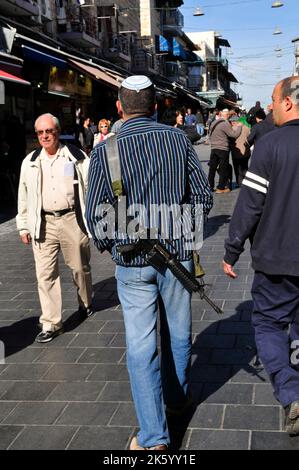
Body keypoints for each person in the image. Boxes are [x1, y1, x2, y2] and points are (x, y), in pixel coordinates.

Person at [86, 75, 213, 450]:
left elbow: (96, 214)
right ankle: (177, 402)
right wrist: (179, 234)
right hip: (177, 258)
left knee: (141, 347)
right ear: (156, 106)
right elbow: (202, 198)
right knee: (177, 334)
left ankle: (154, 437)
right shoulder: (179, 141)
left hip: (131, 264)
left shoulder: (104, 152)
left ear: (119, 108)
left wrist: (117, 243)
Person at [222, 76, 299, 436]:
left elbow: (250, 206)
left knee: (268, 323)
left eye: (272, 100)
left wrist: (232, 249)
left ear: (287, 102)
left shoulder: (269, 146)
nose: (269, 107)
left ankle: (290, 391)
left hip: (276, 258)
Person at [16, 113, 94, 343]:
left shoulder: (76, 157)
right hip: (43, 223)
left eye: (48, 131)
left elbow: (90, 187)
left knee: (80, 267)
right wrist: (23, 226)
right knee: (45, 275)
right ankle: (51, 323)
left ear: (57, 132)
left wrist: (94, 217)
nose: (44, 136)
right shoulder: (30, 161)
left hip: (71, 219)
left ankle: (86, 302)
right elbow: (24, 196)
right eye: (40, 132)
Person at [208, 109, 242, 194]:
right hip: (223, 149)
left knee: (212, 168)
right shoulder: (225, 123)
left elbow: (209, 134)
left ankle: (210, 186)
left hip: (214, 148)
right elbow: (234, 135)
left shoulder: (213, 123)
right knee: (223, 168)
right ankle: (221, 187)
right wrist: (240, 126)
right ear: (226, 116)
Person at [229, 115, 251, 187]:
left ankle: (239, 183)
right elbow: (250, 137)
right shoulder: (246, 128)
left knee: (237, 168)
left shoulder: (231, 129)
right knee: (245, 167)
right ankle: (247, 182)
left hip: (236, 152)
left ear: (233, 122)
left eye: (232, 121)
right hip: (246, 151)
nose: (231, 122)